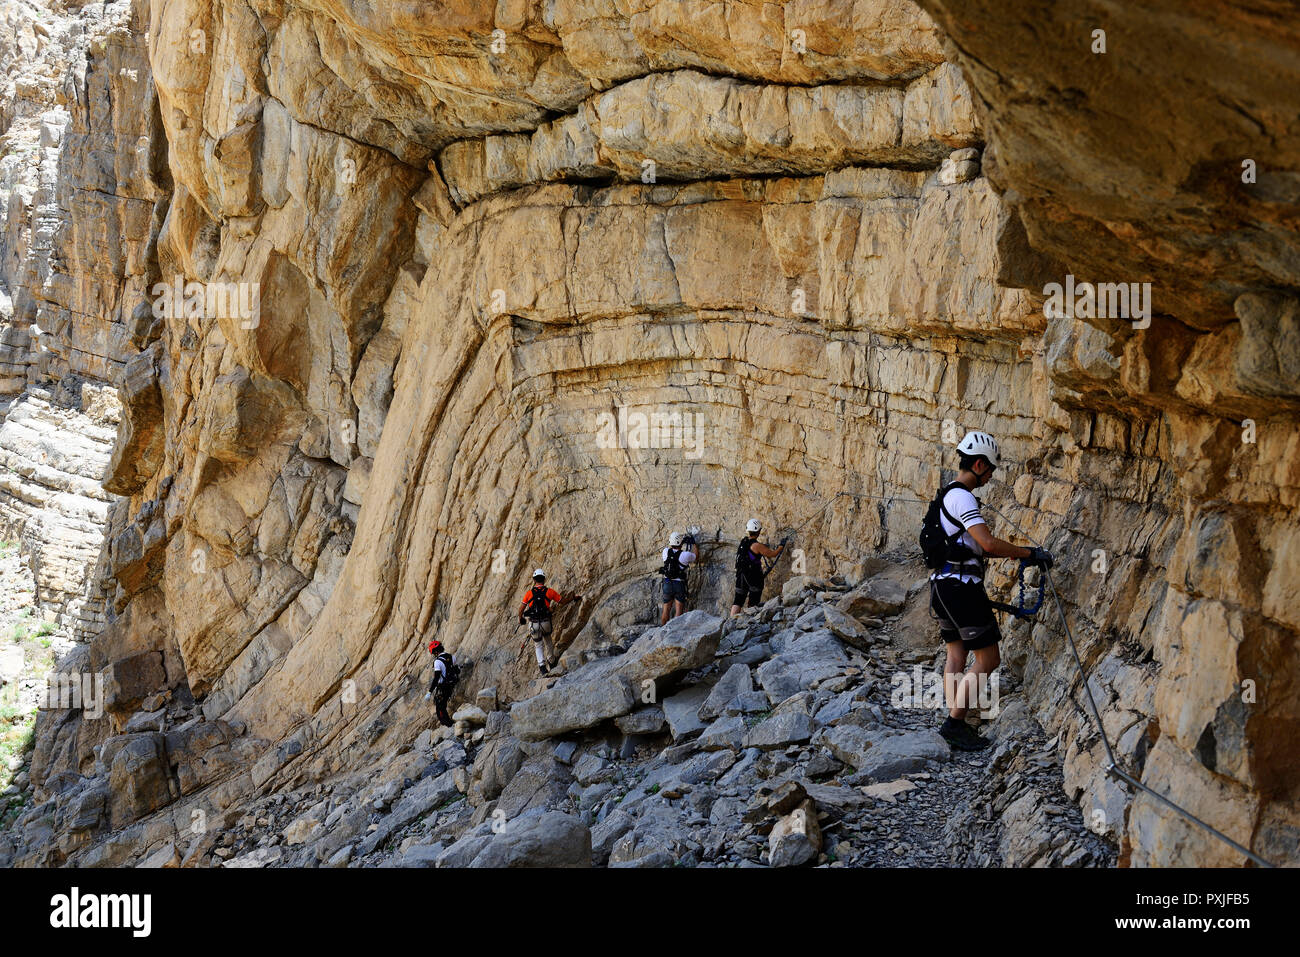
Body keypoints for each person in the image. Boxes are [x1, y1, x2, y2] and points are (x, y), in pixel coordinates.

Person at [928, 431, 1053, 751]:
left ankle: (956, 716)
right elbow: (987, 544)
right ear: (980, 464)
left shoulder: (946, 495)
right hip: (961, 588)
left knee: (956, 653)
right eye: (991, 470)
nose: (991, 476)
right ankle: (954, 725)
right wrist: (1029, 553)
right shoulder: (964, 497)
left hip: (941, 586)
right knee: (989, 658)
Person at [518, 569, 580, 676]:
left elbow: (521, 610)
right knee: (548, 642)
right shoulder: (550, 592)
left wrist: (521, 619)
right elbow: (563, 602)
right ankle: (551, 663)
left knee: (538, 645)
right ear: (544, 579)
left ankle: (542, 668)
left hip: (534, 624)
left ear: (534, 580)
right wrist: (573, 598)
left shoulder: (529, 594)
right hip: (545, 622)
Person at [730, 518, 784, 617]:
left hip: (741, 575)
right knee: (753, 601)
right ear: (758, 531)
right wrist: (781, 546)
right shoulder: (757, 546)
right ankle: (750, 620)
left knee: (738, 600)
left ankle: (730, 622)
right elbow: (772, 554)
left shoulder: (744, 542)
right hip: (753, 577)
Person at [660, 530, 697, 624]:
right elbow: (696, 556)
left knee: (666, 610)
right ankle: (675, 632)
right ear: (681, 542)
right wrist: (693, 543)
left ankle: (662, 630)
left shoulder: (665, 552)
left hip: (667, 582)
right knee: (679, 612)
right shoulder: (685, 555)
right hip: (679, 584)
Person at [422, 639, 460, 727]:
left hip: (443, 686)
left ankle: (448, 726)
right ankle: (450, 725)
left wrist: (429, 692)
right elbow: (455, 669)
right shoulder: (452, 657)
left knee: (440, 709)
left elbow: (436, 678)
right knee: (443, 705)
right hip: (451, 684)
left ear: (435, 651)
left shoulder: (437, 662)